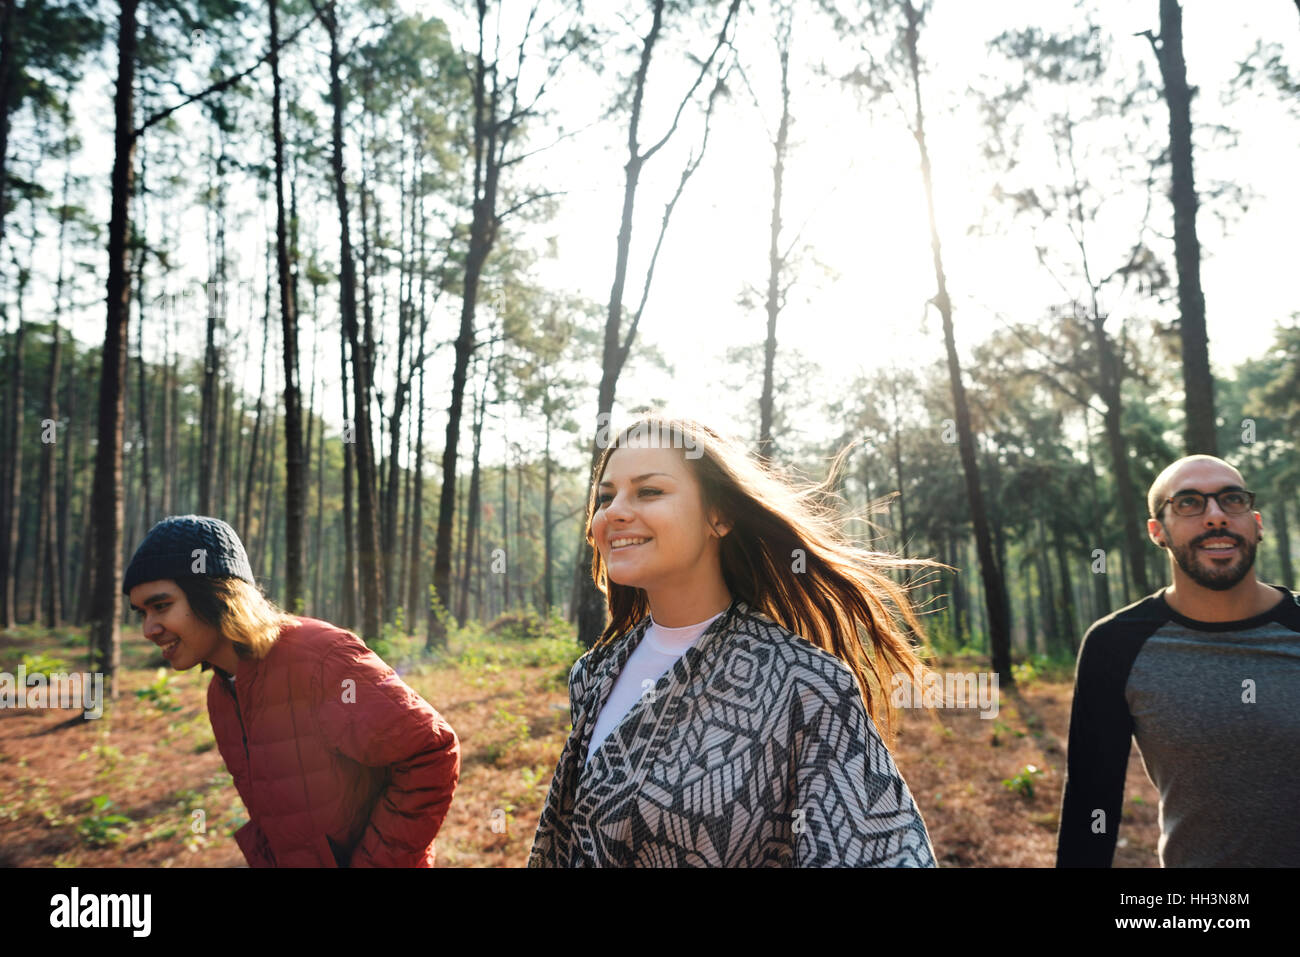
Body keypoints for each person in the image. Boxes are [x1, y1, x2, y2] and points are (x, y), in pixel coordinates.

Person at [529, 415, 937, 867]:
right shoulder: (594, 674)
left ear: (718, 516)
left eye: (649, 491)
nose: (614, 511)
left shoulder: (805, 684)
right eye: (606, 497)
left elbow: (882, 852)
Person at [123, 515, 460, 867]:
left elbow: (432, 751)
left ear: (217, 593)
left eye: (161, 606)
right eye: (141, 613)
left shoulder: (319, 657)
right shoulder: (221, 694)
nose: (149, 629)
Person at [1056, 454, 1300, 867]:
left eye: (1232, 499)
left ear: (1257, 524)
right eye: (1189, 503)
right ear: (1158, 532)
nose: (1216, 517)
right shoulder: (1114, 645)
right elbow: (1090, 806)